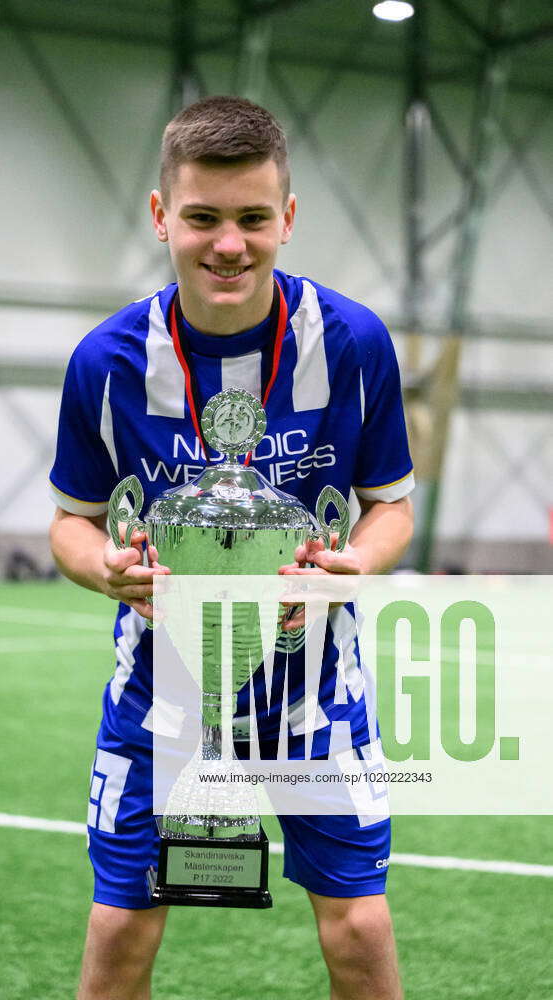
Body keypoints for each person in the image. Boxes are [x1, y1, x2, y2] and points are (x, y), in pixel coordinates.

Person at [49, 96, 414, 1000]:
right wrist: (103, 568)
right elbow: (70, 521)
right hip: (159, 700)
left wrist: (357, 565)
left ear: (286, 217)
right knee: (118, 933)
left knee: (360, 930)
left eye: (252, 218)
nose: (228, 244)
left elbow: (391, 508)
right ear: (160, 214)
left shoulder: (353, 343)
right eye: (202, 217)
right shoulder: (106, 361)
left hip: (316, 695)